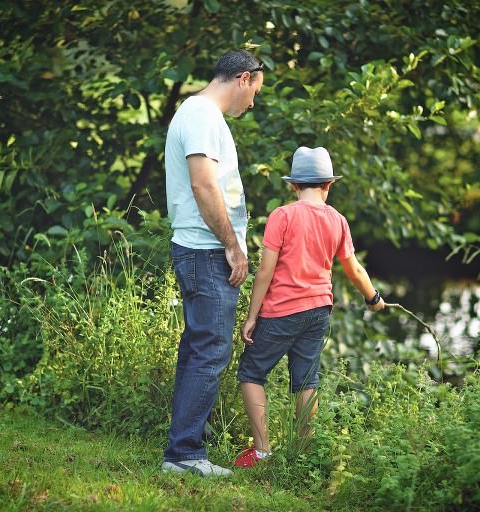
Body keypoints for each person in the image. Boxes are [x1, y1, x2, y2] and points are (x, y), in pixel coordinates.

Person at [234, 146, 385, 468]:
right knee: (306, 380)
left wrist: (251, 316)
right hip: (319, 310)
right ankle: (303, 453)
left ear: (293, 185)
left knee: (251, 372)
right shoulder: (338, 221)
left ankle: (262, 451)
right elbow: (354, 268)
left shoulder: (283, 215)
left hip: (281, 311)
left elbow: (266, 270)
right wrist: (373, 298)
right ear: (329, 185)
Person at [161, 49, 265, 477]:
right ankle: (186, 456)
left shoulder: (197, 112)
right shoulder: (203, 114)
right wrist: (233, 247)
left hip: (199, 249)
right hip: (206, 252)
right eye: (255, 92)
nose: (253, 103)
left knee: (197, 350)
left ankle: (181, 451)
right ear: (243, 78)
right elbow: (204, 185)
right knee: (211, 352)